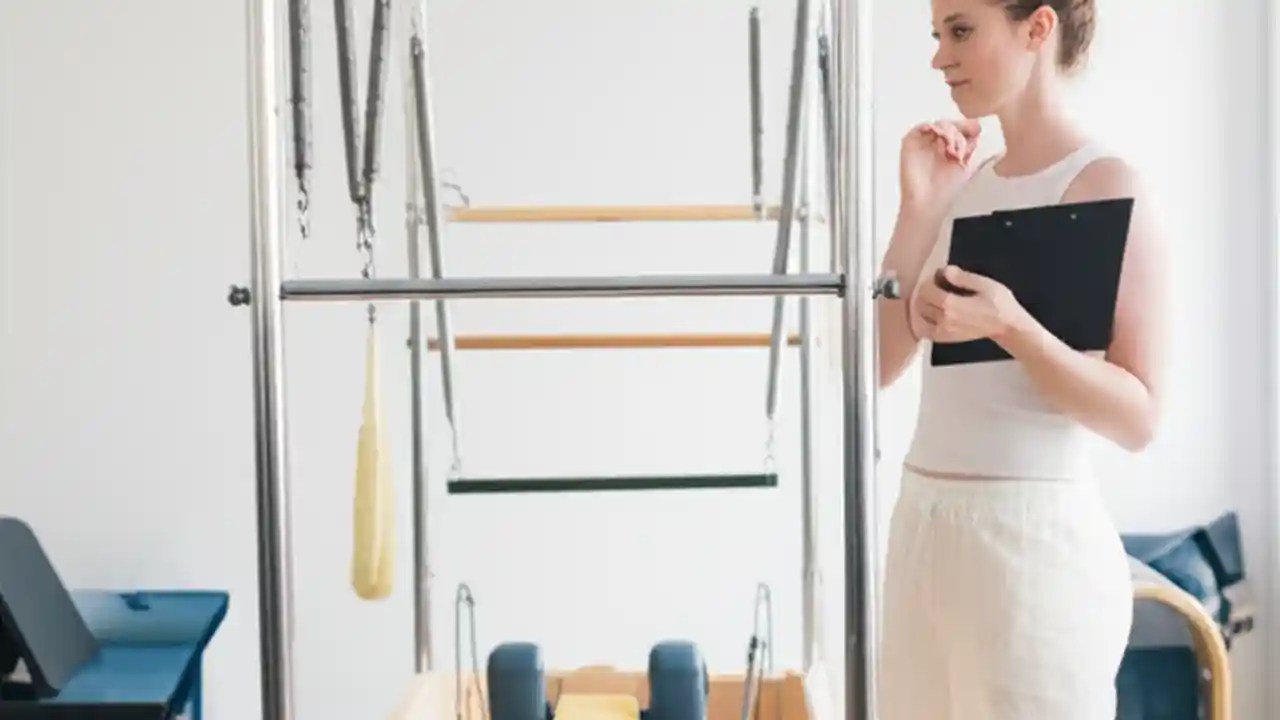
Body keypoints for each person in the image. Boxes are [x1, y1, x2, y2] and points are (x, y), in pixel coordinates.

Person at [874, 0, 1167, 718]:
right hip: (922, 528)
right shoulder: (960, 182)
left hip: (1031, 545)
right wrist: (918, 209)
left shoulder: (1106, 183)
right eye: (938, 34)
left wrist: (1014, 328)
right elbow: (875, 366)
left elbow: (1139, 417)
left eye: (962, 31)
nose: (940, 56)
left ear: (1038, 29)